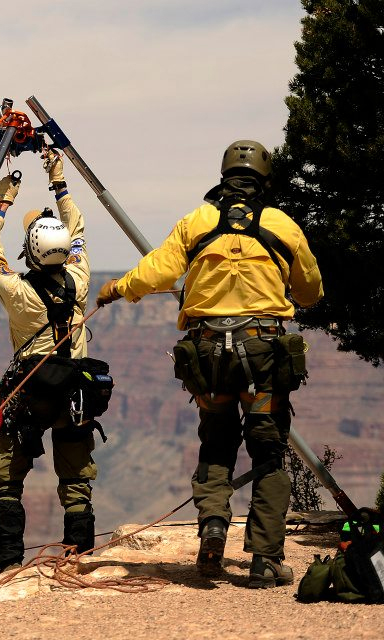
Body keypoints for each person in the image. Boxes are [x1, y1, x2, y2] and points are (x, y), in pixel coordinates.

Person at [96, 140, 323, 588]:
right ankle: (264, 560)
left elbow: (157, 272)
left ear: (224, 177)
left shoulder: (197, 222)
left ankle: (213, 531)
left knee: (216, 446)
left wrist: (117, 288)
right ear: (265, 180)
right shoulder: (283, 225)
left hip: (208, 355)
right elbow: (311, 291)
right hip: (263, 354)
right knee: (268, 454)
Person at [0, 149, 104, 574]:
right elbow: (77, 228)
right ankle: (77, 557)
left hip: (30, 393)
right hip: (75, 394)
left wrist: (2, 202)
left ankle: (10, 563)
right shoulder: (80, 279)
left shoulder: (17, 292)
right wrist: (59, 181)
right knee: (76, 477)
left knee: (6, 476)